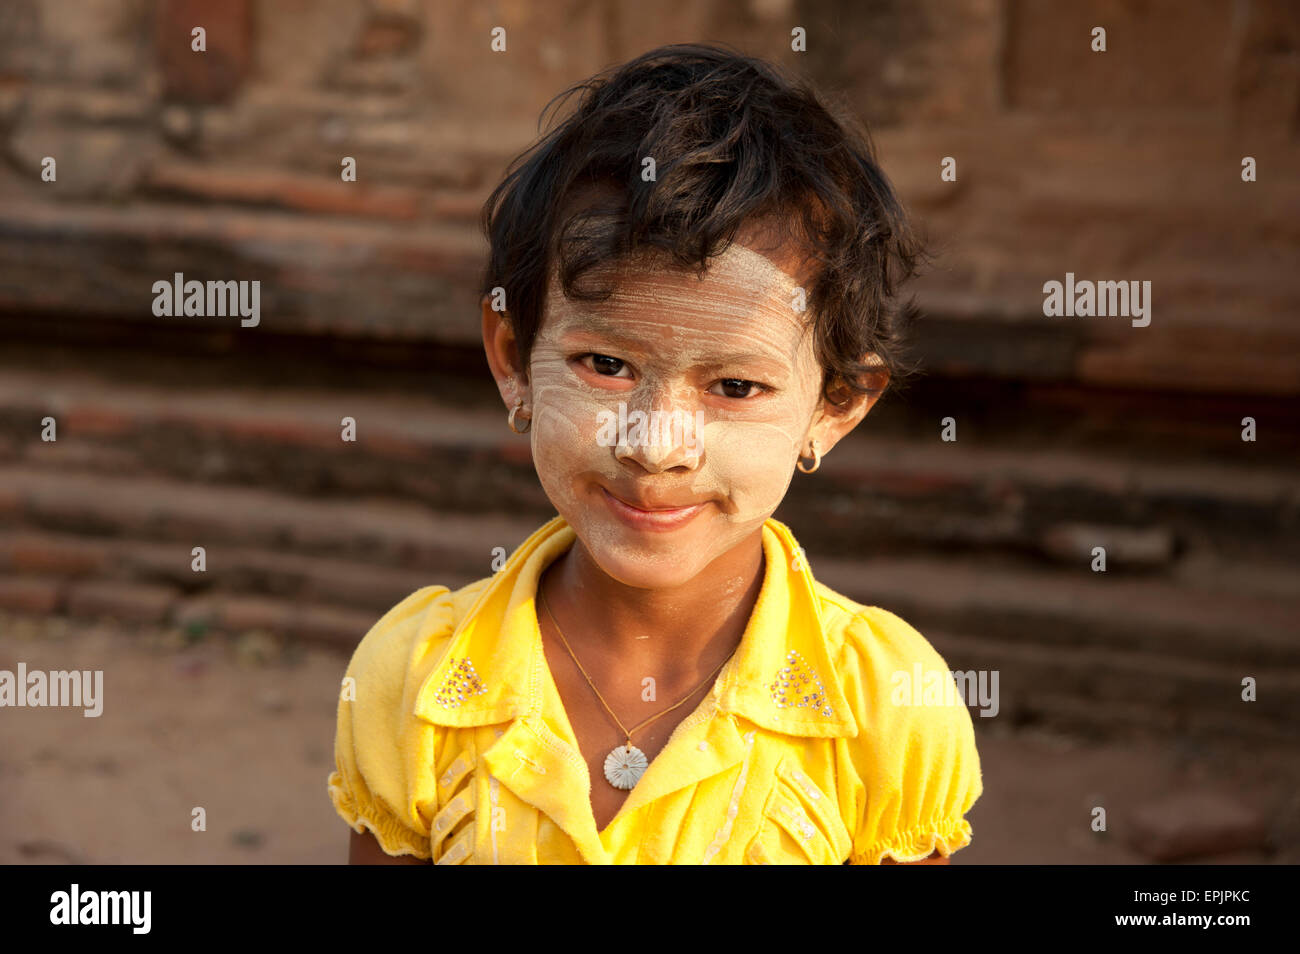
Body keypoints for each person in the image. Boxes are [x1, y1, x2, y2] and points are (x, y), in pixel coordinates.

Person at [328, 42, 981, 864]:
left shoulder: (882, 703)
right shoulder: (418, 680)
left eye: (735, 388)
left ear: (837, 407)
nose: (656, 447)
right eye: (606, 366)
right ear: (511, 359)